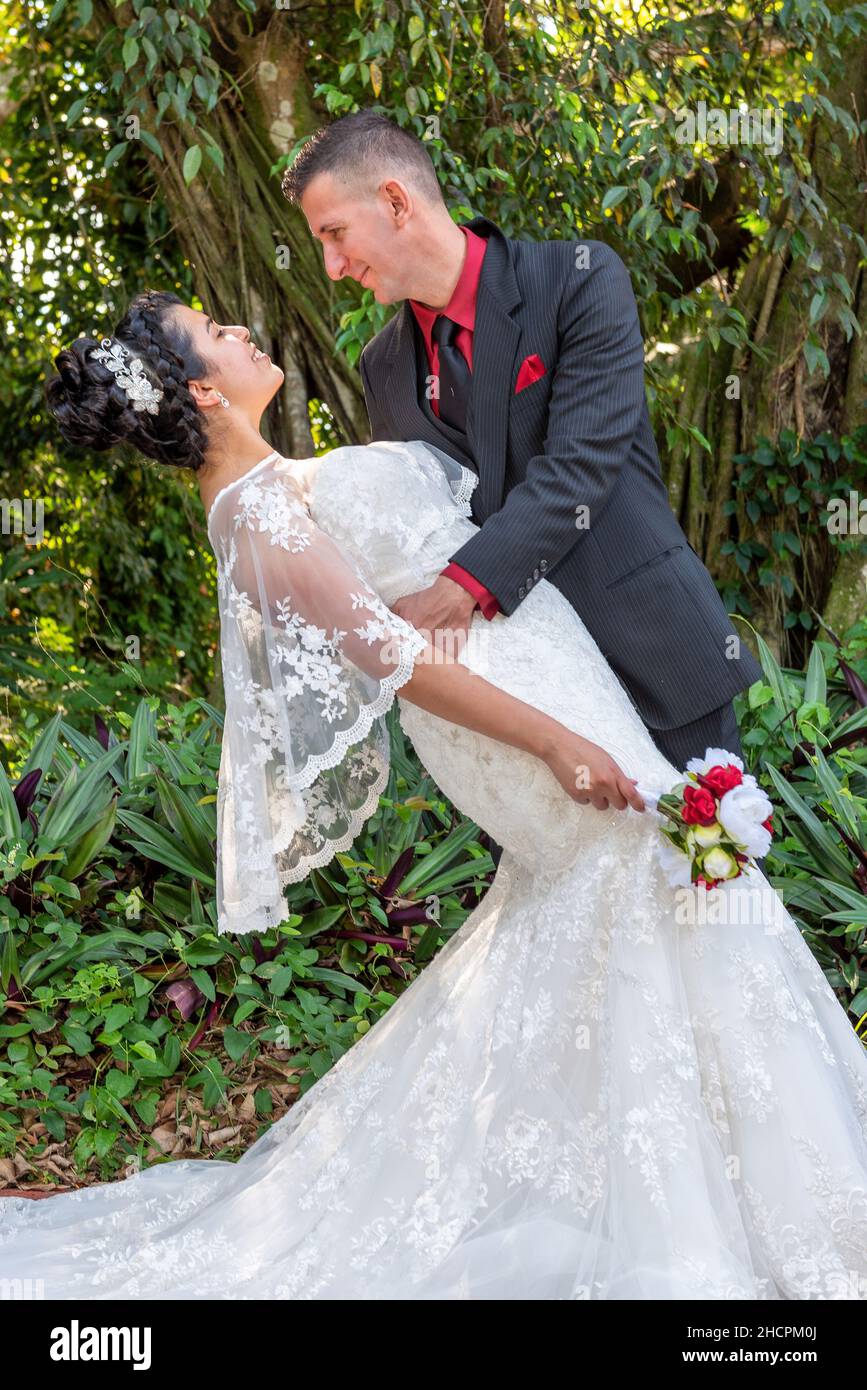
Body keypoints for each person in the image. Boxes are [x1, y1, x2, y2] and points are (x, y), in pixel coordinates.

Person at [3, 290, 864, 1301]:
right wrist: (556, 740)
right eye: (218, 332)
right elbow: (395, 657)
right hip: (518, 721)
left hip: (545, 688)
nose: (243, 330)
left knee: (635, 900)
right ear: (202, 387)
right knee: (652, 880)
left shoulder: (274, 482)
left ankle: (675, 1180)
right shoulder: (253, 510)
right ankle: (746, 1207)